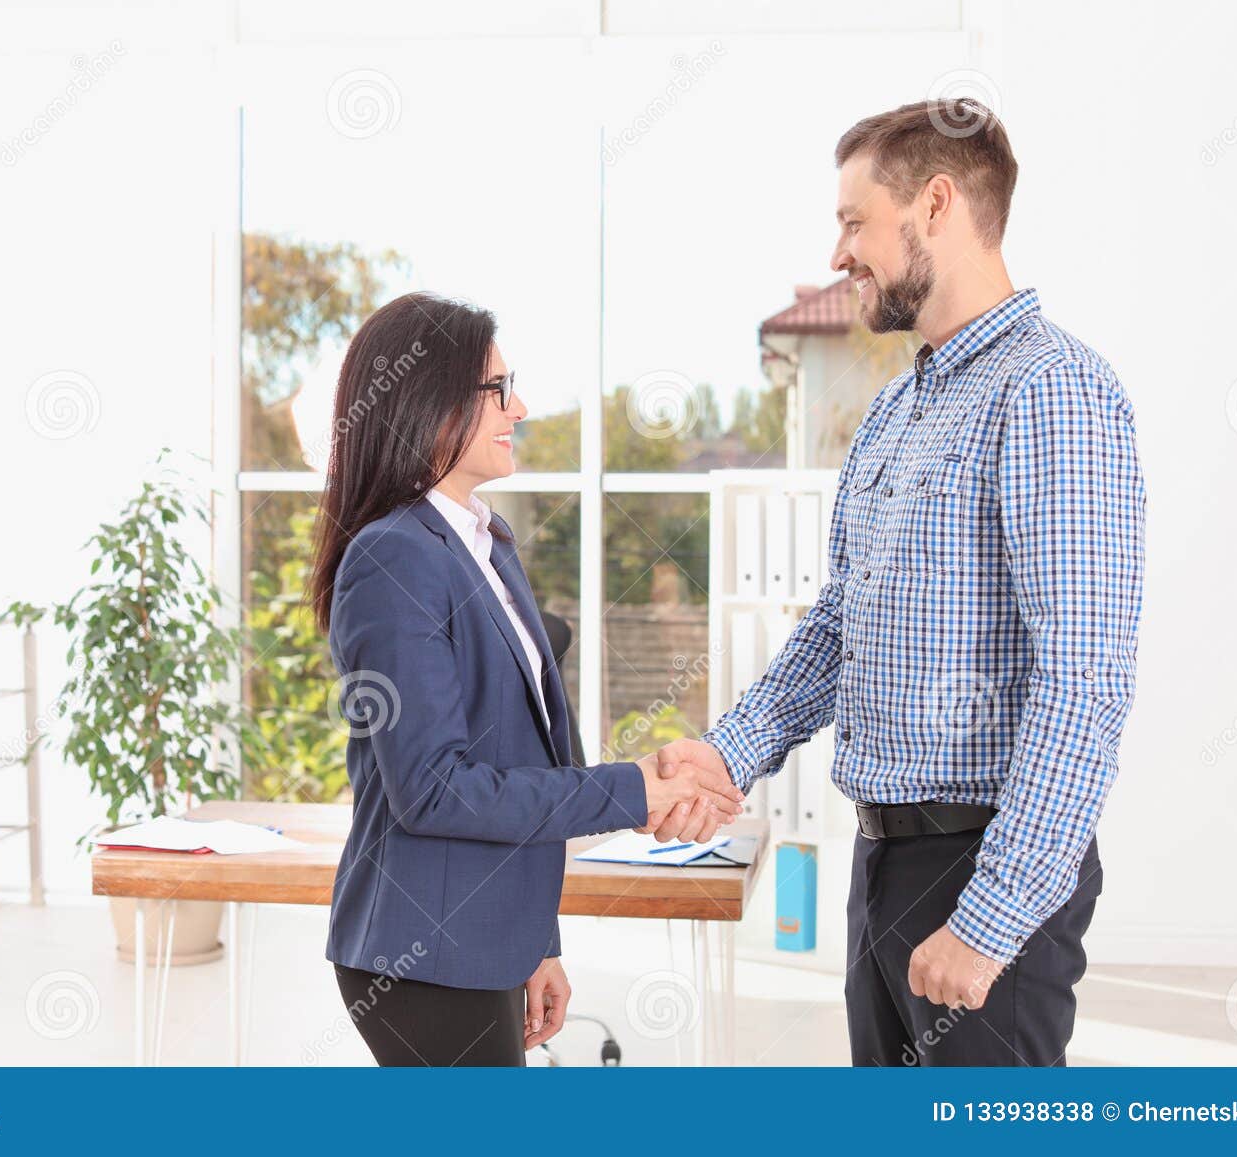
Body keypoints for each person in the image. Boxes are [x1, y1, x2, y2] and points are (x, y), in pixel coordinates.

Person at [649, 98, 1146, 1066]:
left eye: (852, 221)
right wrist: (729, 751)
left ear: (936, 203)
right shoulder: (898, 405)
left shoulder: (1052, 390)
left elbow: (1083, 677)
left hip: (981, 865)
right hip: (884, 857)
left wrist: (993, 916)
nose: (840, 253)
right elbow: (842, 620)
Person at [309, 291, 744, 1067]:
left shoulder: (485, 540)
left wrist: (535, 941)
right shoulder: (391, 557)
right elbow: (435, 788)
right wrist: (635, 787)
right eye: (499, 390)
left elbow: (530, 758)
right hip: (422, 952)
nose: (523, 407)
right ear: (430, 401)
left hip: (481, 940)